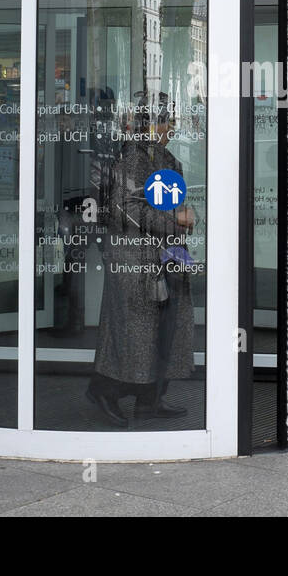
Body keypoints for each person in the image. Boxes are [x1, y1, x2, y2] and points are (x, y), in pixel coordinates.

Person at [85, 91, 196, 427]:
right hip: (133, 259)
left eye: (172, 120)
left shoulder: (165, 158)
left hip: (161, 256)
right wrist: (176, 220)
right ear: (149, 125)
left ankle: (151, 401)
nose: (172, 127)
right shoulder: (132, 159)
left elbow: (171, 206)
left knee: (164, 332)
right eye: (166, 121)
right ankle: (104, 391)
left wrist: (185, 218)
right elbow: (127, 213)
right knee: (133, 334)